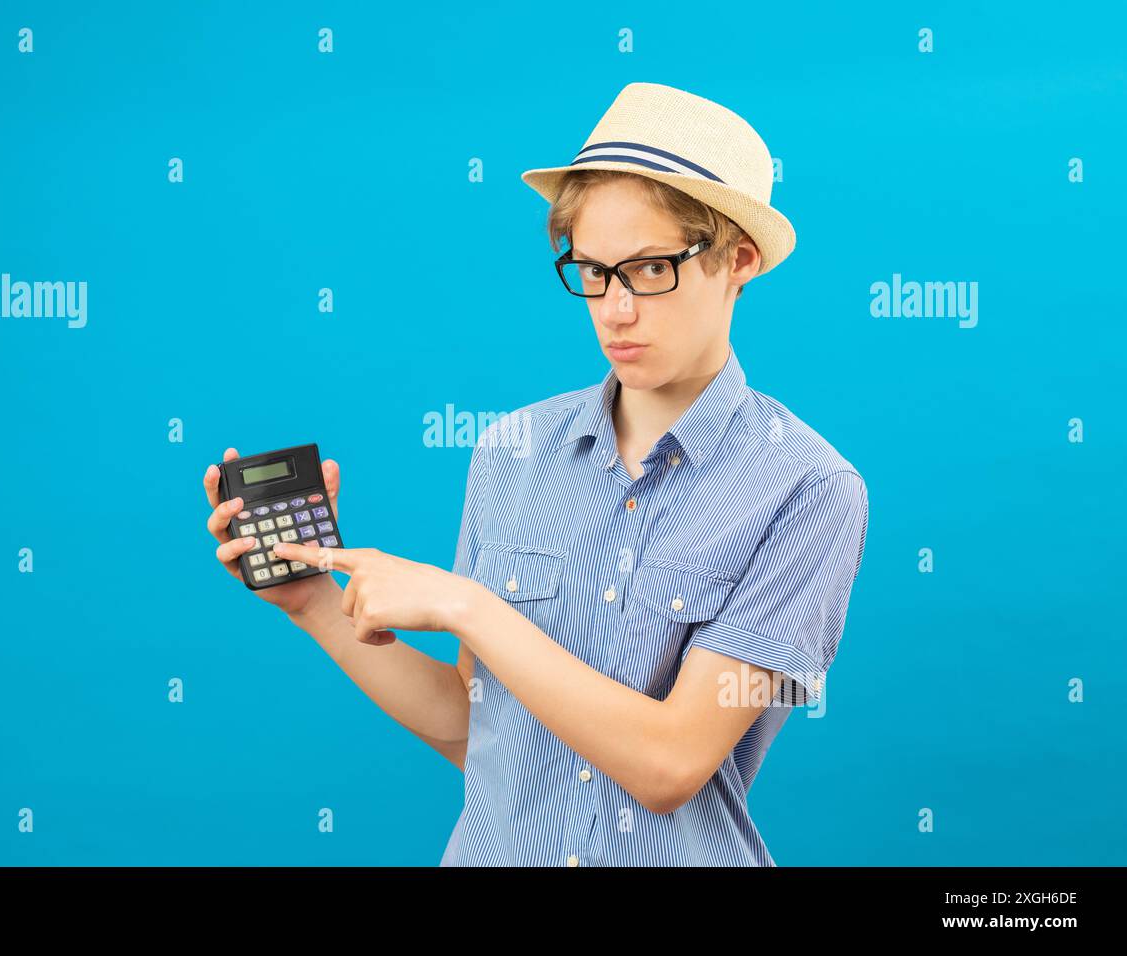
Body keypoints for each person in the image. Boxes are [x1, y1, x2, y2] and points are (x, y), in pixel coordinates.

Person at [201, 82, 869, 866]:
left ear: (739, 261)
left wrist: (467, 605)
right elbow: (475, 727)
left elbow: (670, 764)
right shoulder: (510, 450)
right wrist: (313, 604)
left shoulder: (807, 488)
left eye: (650, 269)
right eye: (590, 270)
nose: (615, 309)